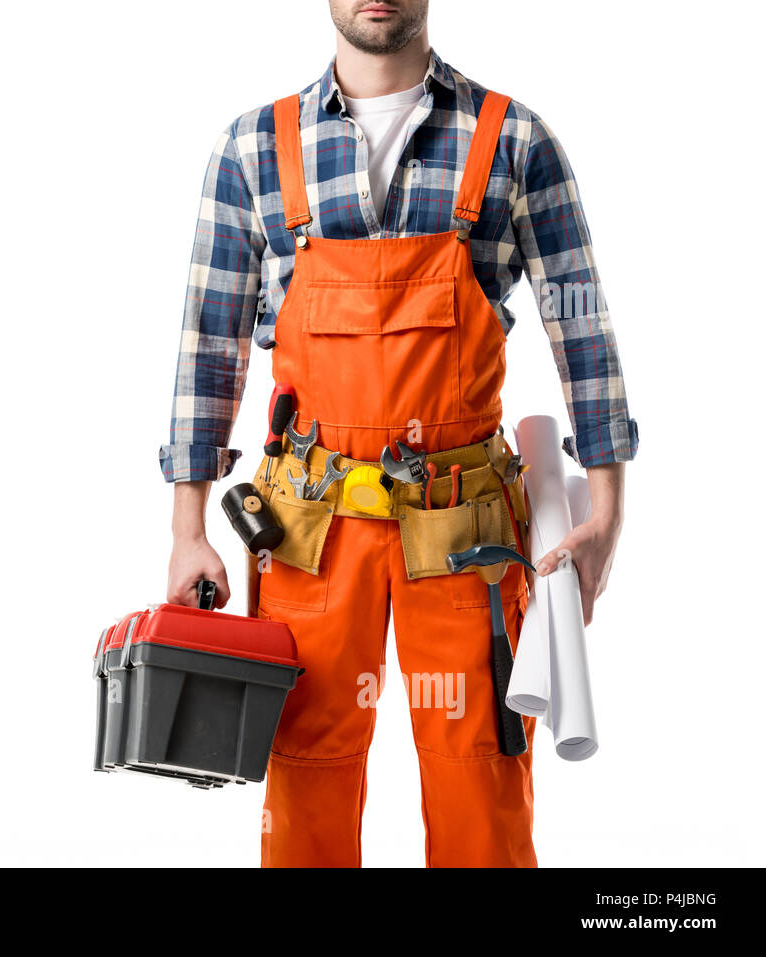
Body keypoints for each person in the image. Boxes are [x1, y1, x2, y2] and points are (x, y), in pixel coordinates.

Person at [158, 0, 636, 867]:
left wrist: (609, 507)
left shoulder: (515, 141)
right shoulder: (253, 149)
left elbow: (581, 325)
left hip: (464, 531)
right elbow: (209, 343)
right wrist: (189, 530)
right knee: (303, 783)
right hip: (307, 528)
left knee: (480, 790)